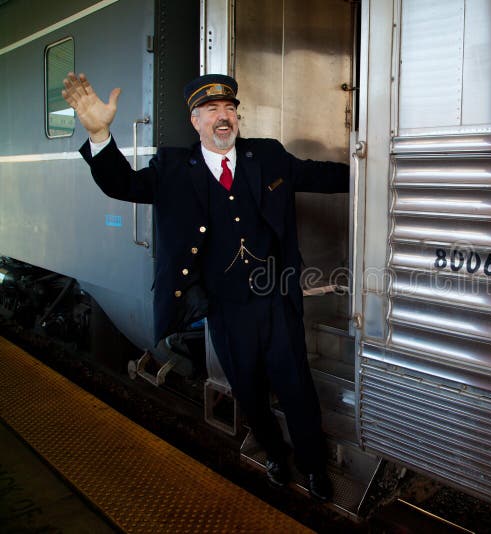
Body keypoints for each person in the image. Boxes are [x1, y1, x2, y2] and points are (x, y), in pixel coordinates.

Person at [62, 72, 349, 501]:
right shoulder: (173, 167)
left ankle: (312, 466)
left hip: (276, 299)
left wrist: (373, 167)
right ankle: (274, 453)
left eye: (230, 109)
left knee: (296, 385)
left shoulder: (267, 156)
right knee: (248, 388)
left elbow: (322, 176)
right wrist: (100, 135)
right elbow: (122, 184)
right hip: (225, 306)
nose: (223, 117)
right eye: (212, 110)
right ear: (195, 121)